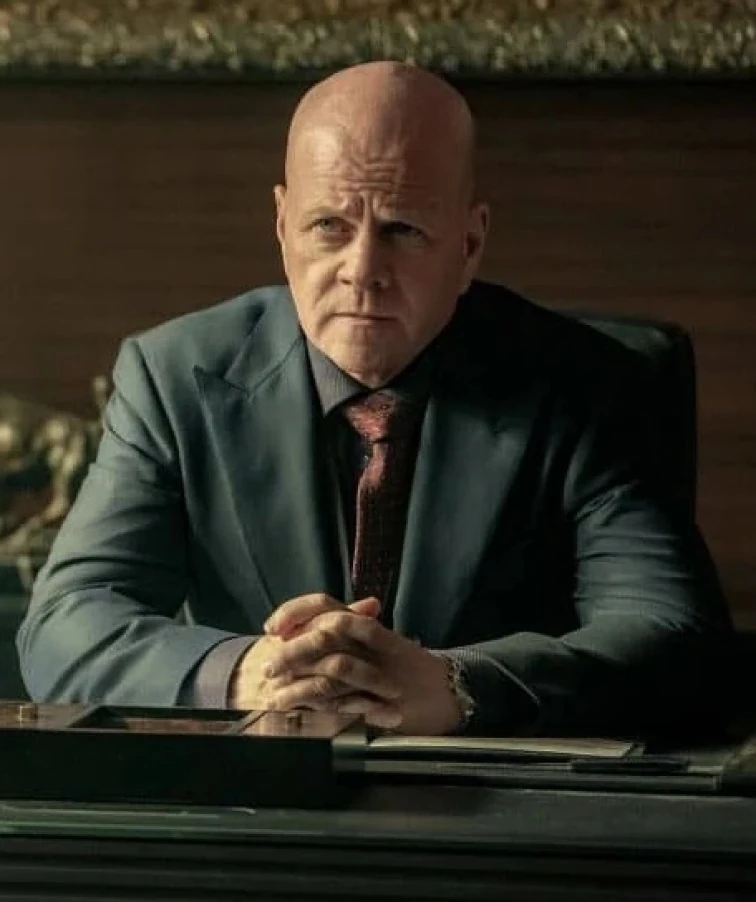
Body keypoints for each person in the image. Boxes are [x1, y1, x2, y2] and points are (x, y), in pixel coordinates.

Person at [17, 61, 732, 737]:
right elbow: (65, 625)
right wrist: (244, 672)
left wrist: (458, 684)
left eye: (403, 230)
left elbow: (672, 636)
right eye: (329, 226)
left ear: (469, 244)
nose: (362, 271)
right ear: (282, 227)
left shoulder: (587, 386)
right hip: (257, 798)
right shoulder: (174, 377)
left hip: (497, 804)